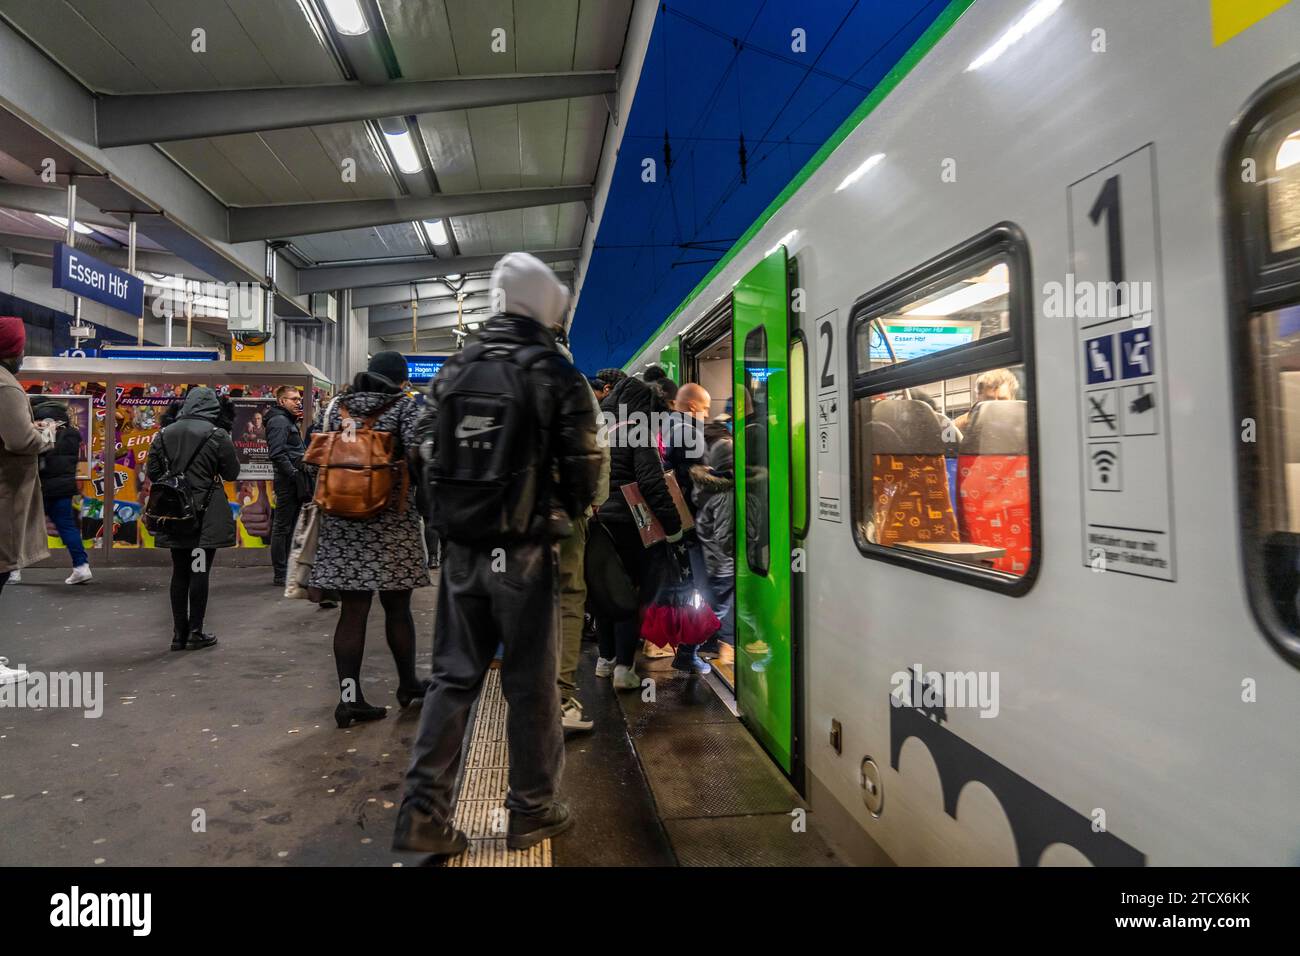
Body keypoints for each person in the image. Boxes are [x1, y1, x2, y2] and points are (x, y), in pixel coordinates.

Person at [394, 252, 601, 857]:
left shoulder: (456, 367)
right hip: (525, 551)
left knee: (453, 679)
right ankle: (531, 810)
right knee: (531, 684)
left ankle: (422, 813)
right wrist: (554, 514)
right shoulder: (555, 372)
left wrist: (451, 521)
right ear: (546, 307)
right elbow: (585, 471)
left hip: (461, 550)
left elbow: (419, 448)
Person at [309, 352, 430, 729]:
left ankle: (349, 700)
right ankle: (408, 685)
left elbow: (315, 450)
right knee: (398, 609)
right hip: (390, 521)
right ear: (400, 379)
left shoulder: (334, 408)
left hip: (341, 521)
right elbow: (421, 457)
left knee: (352, 612)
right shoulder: (404, 408)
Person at [594, 372, 683, 689]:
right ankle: (624, 669)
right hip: (630, 524)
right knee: (629, 593)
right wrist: (674, 528)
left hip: (599, 520)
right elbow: (652, 484)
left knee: (604, 591)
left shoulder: (601, 425)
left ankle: (604, 660)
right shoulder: (638, 430)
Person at [146, 387, 239, 651]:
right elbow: (231, 472)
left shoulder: (164, 433)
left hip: (174, 513)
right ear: (212, 407)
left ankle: (178, 633)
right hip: (204, 516)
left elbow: (153, 471)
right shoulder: (216, 434)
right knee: (199, 569)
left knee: (179, 571)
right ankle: (195, 631)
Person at [662, 382, 712, 674]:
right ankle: (688, 651)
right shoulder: (691, 432)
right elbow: (700, 484)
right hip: (689, 522)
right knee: (696, 587)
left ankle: (676, 645)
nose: (706, 415)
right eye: (704, 409)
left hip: (667, 521)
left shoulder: (662, 426)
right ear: (693, 407)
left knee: (678, 583)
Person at [33, 400, 91, 584]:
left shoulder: (47, 434)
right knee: (67, 528)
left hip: (41, 488)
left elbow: (40, 455)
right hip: (64, 488)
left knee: (22, 529)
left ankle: (13, 570)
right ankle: (81, 566)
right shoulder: (72, 434)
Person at [265, 385, 307, 587]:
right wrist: (294, 473)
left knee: (290, 526)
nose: (298, 402)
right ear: (282, 401)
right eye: (293, 399)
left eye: (299, 399)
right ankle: (280, 573)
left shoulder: (287, 420)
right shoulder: (279, 422)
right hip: (287, 482)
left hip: (293, 480)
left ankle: (288, 568)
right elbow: (277, 453)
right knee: (282, 527)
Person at [951, 368, 1018, 433]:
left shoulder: (1021, 423)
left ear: (1012, 399)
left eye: (1002, 399)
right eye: (989, 400)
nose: (996, 406)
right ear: (978, 399)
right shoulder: (960, 426)